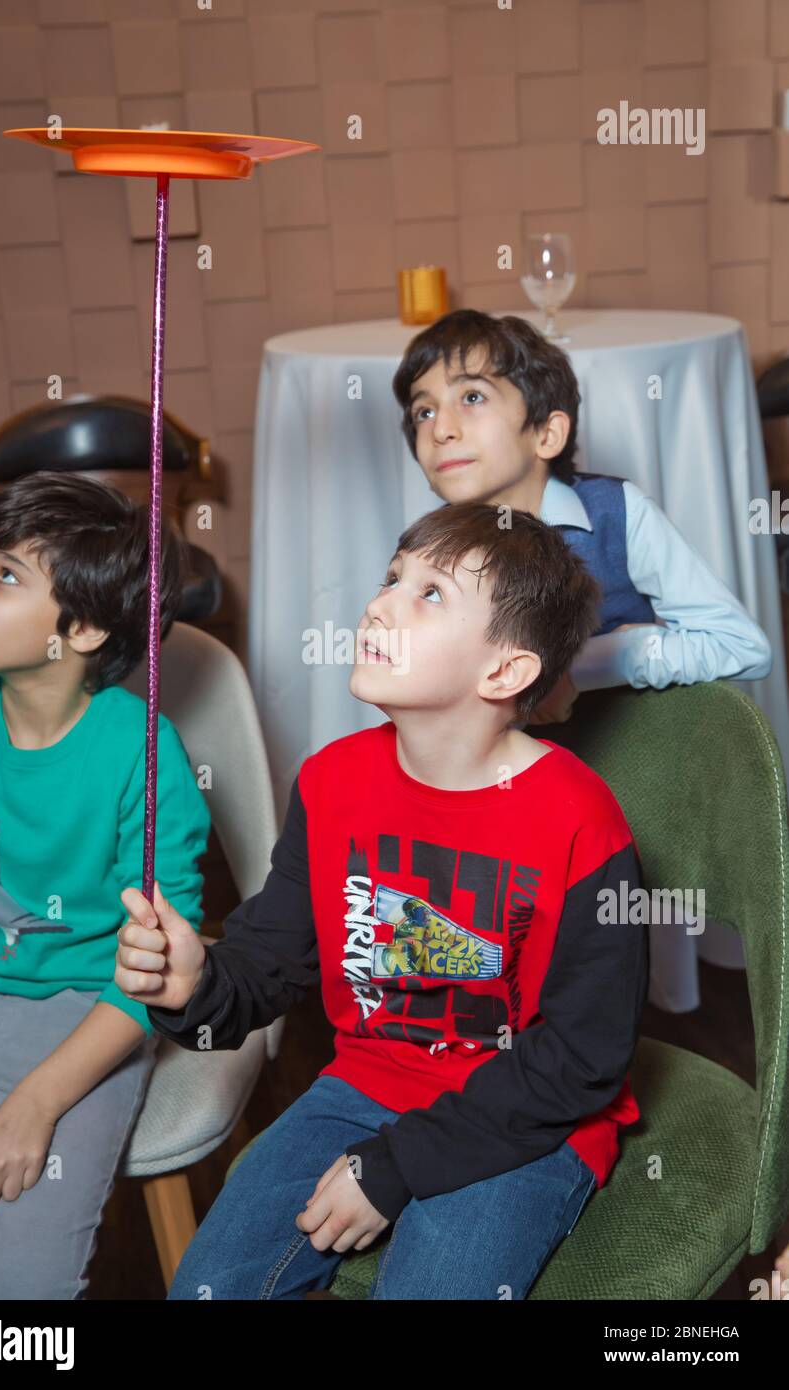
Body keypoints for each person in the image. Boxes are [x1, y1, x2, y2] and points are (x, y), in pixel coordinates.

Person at [116, 502, 650, 1300]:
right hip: (363, 1086)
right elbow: (271, 959)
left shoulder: (582, 820)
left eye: (429, 594)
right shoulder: (331, 781)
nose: (379, 603)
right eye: (391, 577)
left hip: (527, 1119)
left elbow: (582, 1062)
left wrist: (396, 1166)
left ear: (504, 671)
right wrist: (196, 988)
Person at [0, 471, 210, 1300]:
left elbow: (151, 981)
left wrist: (35, 1101)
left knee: (18, 1292)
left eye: (5, 575)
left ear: (80, 628)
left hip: (86, 1019)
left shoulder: (144, 757)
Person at [389, 308, 772, 725]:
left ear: (546, 433)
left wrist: (606, 659)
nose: (440, 429)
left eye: (472, 397)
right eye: (423, 412)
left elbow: (741, 646)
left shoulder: (618, 513)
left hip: (623, 764)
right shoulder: (426, 552)